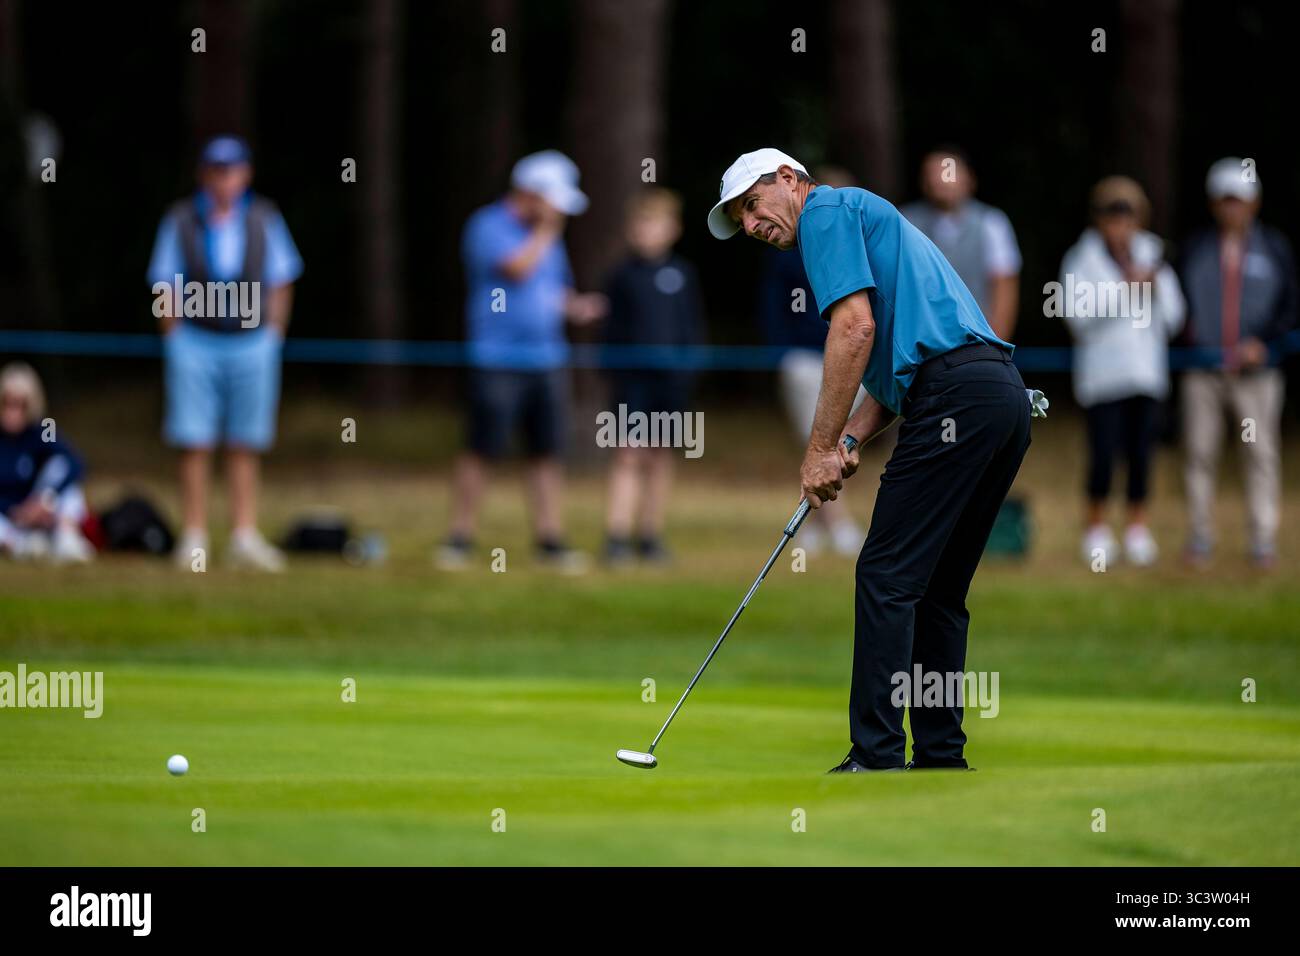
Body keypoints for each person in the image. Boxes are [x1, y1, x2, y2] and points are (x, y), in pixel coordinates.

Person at [709, 148, 1032, 773]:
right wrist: (850, 440)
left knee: (886, 575)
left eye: (752, 206)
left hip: (955, 401)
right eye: (741, 221)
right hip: (999, 398)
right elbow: (896, 376)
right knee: (936, 590)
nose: (751, 226)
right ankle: (940, 756)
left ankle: (876, 755)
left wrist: (817, 451)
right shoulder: (863, 217)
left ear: (788, 180)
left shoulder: (825, 213)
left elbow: (853, 332)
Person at [437, 151, 606, 573]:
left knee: (546, 452)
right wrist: (548, 229)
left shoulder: (547, 237)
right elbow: (515, 268)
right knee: (481, 449)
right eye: (553, 203)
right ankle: (459, 538)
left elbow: (553, 288)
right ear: (530, 194)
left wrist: (577, 307)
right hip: (496, 359)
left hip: (547, 358)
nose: (558, 213)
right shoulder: (488, 225)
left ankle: (549, 539)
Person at [147, 135, 303, 572]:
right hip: (195, 340)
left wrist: (274, 334)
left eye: (232, 170)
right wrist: (173, 336)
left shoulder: (263, 218)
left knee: (245, 440)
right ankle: (194, 535)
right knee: (193, 439)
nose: (224, 179)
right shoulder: (180, 219)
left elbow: (281, 280)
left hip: (252, 342)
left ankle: (243, 534)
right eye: (216, 170)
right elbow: (164, 282)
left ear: (245, 174)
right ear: (204, 175)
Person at [1178, 158, 1297, 570]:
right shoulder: (1194, 249)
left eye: (1240, 201)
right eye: (1226, 200)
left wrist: (1264, 343)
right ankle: (1199, 539)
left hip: (1257, 376)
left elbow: (1290, 306)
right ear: (1214, 204)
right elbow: (1177, 308)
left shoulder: (1275, 249)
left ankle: (1262, 540)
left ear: (1254, 202)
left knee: (1259, 453)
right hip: (1203, 371)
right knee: (1199, 452)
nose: (1233, 209)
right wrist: (1192, 339)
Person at [1059, 177, 1185, 567]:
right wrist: (1126, 290)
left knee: (1141, 455)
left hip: (1146, 374)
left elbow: (1176, 318)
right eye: (1112, 215)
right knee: (1103, 455)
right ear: (1099, 220)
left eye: (1127, 215)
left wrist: (1156, 289)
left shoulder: (1153, 254)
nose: (1120, 224)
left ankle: (1136, 529)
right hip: (1102, 377)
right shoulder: (1081, 259)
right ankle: (1095, 530)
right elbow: (1075, 318)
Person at [759, 166, 866, 558]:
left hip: (851, 357)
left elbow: (858, 321)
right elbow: (772, 305)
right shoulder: (792, 247)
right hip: (804, 359)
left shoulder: (858, 240)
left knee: (838, 440)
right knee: (818, 438)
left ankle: (821, 524)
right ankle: (836, 525)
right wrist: (782, 350)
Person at [601, 188, 705, 565]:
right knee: (628, 455)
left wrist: (690, 368)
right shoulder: (620, 275)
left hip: (671, 381)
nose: (647, 231)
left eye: (655, 223)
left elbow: (691, 328)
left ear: (672, 229)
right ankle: (616, 535)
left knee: (660, 456)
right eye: (641, 223)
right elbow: (610, 333)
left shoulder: (682, 274)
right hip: (631, 381)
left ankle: (650, 533)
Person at [901, 147, 1022, 341]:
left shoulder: (991, 222)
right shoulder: (905, 221)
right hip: (919, 341)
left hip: (978, 339)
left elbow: (1005, 287)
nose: (939, 179)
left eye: (948, 171)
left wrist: (996, 345)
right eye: (932, 173)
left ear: (969, 180)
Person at [0, 362, 94, 563]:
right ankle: (21, 546)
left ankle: (66, 536)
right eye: (7, 403)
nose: (13, 411)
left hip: (38, 505)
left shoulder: (44, 427)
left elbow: (73, 461)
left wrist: (46, 500)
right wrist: (16, 511)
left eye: (20, 404)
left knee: (65, 478)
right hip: (8, 514)